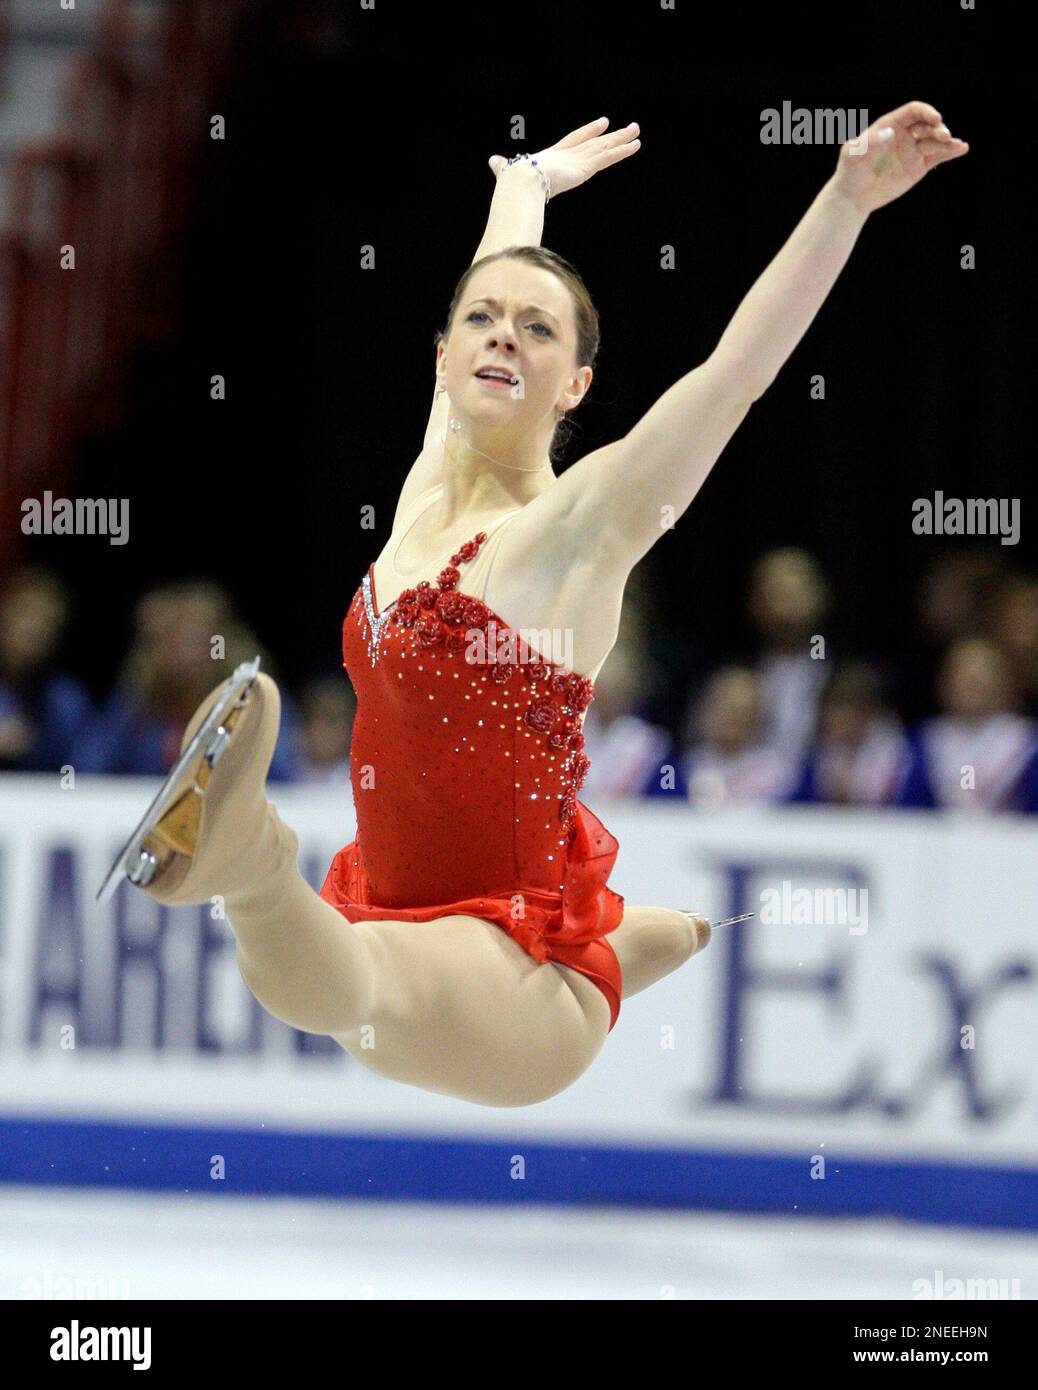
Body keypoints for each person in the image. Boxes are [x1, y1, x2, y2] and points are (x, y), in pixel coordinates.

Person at [123, 106, 968, 1107]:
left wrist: (844, 199)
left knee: (351, 978)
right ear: (441, 357)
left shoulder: (570, 536)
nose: (502, 339)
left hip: (509, 985)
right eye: (480, 322)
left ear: (575, 385)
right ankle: (618, 939)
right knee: (361, 970)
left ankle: (254, 859)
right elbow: (498, 274)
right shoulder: (426, 489)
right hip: (400, 921)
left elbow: (734, 379)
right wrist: (522, 187)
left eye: (538, 332)